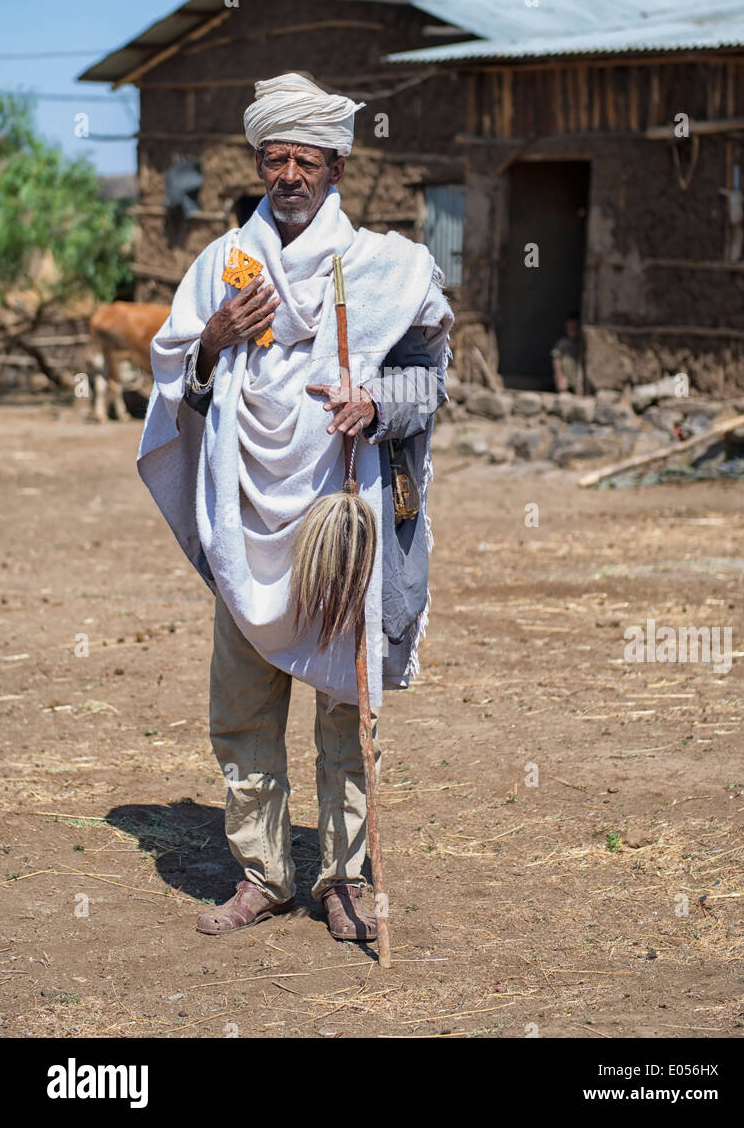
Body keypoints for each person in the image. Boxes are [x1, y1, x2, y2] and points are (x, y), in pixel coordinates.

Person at [137, 72, 453, 943]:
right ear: (258, 161)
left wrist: (377, 406)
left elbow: (431, 377)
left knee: (346, 705)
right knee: (241, 711)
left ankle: (346, 879)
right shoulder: (221, 270)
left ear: (337, 164)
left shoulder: (384, 268)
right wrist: (213, 337)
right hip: (245, 520)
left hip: (340, 522)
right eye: (273, 158)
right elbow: (179, 394)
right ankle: (263, 874)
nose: (287, 175)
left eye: (303, 160)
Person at [551, 311, 583, 394]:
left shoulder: (582, 344)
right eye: (570, 327)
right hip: (566, 381)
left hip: (577, 381)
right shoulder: (563, 343)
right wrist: (559, 377)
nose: (572, 330)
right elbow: (556, 360)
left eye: (575, 327)